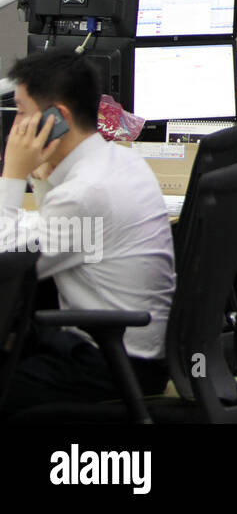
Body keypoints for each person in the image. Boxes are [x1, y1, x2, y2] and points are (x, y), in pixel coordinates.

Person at [0, 49, 175, 414]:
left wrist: (12, 174)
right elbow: (64, 234)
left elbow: (7, 264)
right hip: (126, 348)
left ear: (57, 118)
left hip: (109, 362)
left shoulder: (87, 192)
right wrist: (40, 172)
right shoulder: (119, 160)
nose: (14, 125)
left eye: (20, 110)